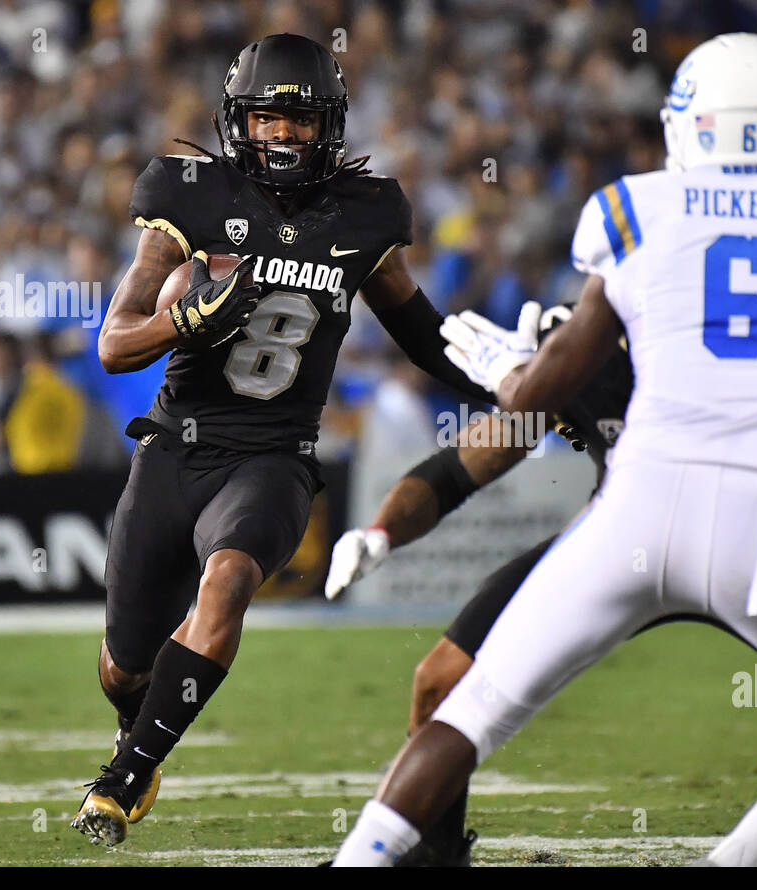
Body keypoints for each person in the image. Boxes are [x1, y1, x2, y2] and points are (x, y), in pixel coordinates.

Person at [331, 32, 757, 867]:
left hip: (632, 521)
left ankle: (356, 860)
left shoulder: (633, 213)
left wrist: (505, 366)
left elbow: (530, 396)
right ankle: (741, 858)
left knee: (472, 711)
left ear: (688, 127)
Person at [328, 300, 757, 866]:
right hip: (633, 541)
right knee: (441, 679)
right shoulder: (595, 342)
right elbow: (467, 464)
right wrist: (382, 531)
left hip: (721, 539)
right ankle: (437, 856)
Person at [71, 33, 490, 847]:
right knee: (125, 663)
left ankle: (122, 782)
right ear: (239, 121)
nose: (284, 137)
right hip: (174, 447)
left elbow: (427, 339)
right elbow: (115, 342)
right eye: (267, 120)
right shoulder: (186, 195)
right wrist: (185, 317)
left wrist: (519, 384)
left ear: (329, 126)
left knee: (226, 583)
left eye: (300, 123)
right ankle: (138, 732)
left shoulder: (364, 215)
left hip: (275, 456)